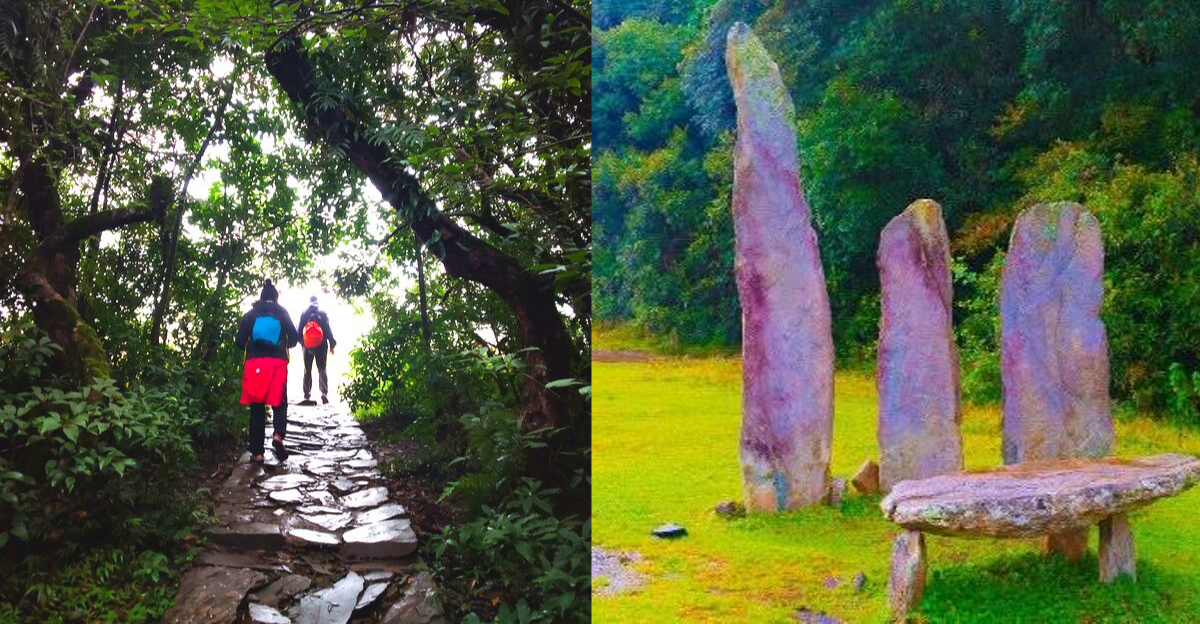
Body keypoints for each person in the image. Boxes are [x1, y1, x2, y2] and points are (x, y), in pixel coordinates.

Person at [235, 279, 299, 463]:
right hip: (277, 363)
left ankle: (257, 453)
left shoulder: (251, 314)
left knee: (256, 406)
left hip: (255, 363)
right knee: (280, 402)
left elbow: (239, 342)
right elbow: (294, 339)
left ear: (261, 297)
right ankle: (278, 435)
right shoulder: (282, 313)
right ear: (276, 298)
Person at [297, 295, 337, 404]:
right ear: (317, 302)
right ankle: (324, 393)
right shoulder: (323, 314)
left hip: (307, 345)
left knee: (307, 369)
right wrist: (332, 343)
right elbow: (328, 330)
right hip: (321, 345)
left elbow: (299, 330)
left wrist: (302, 343)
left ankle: (306, 394)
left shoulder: (304, 313)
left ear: (309, 302)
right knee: (322, 369)